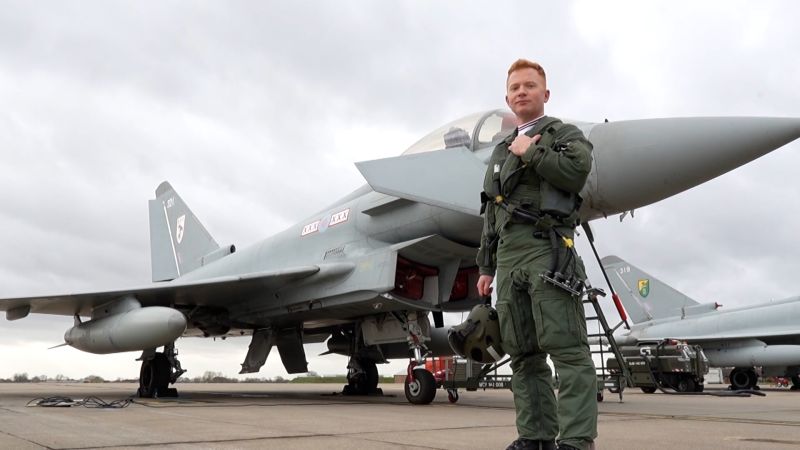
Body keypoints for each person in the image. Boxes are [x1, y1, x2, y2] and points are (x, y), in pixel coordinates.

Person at [476, 59, 596, 450]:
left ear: (546, 94)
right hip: (509, 259)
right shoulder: (498, 152)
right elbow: (492, 210)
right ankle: (535, 437)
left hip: (547, 250)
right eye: (515, 87)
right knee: (523, 353)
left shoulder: (563, 134)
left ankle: (576, 441)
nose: (521, 92)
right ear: (507, 97)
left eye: (530, 85)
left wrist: (532, 152)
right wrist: (485, 266)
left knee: (566, 348)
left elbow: (576, 172)